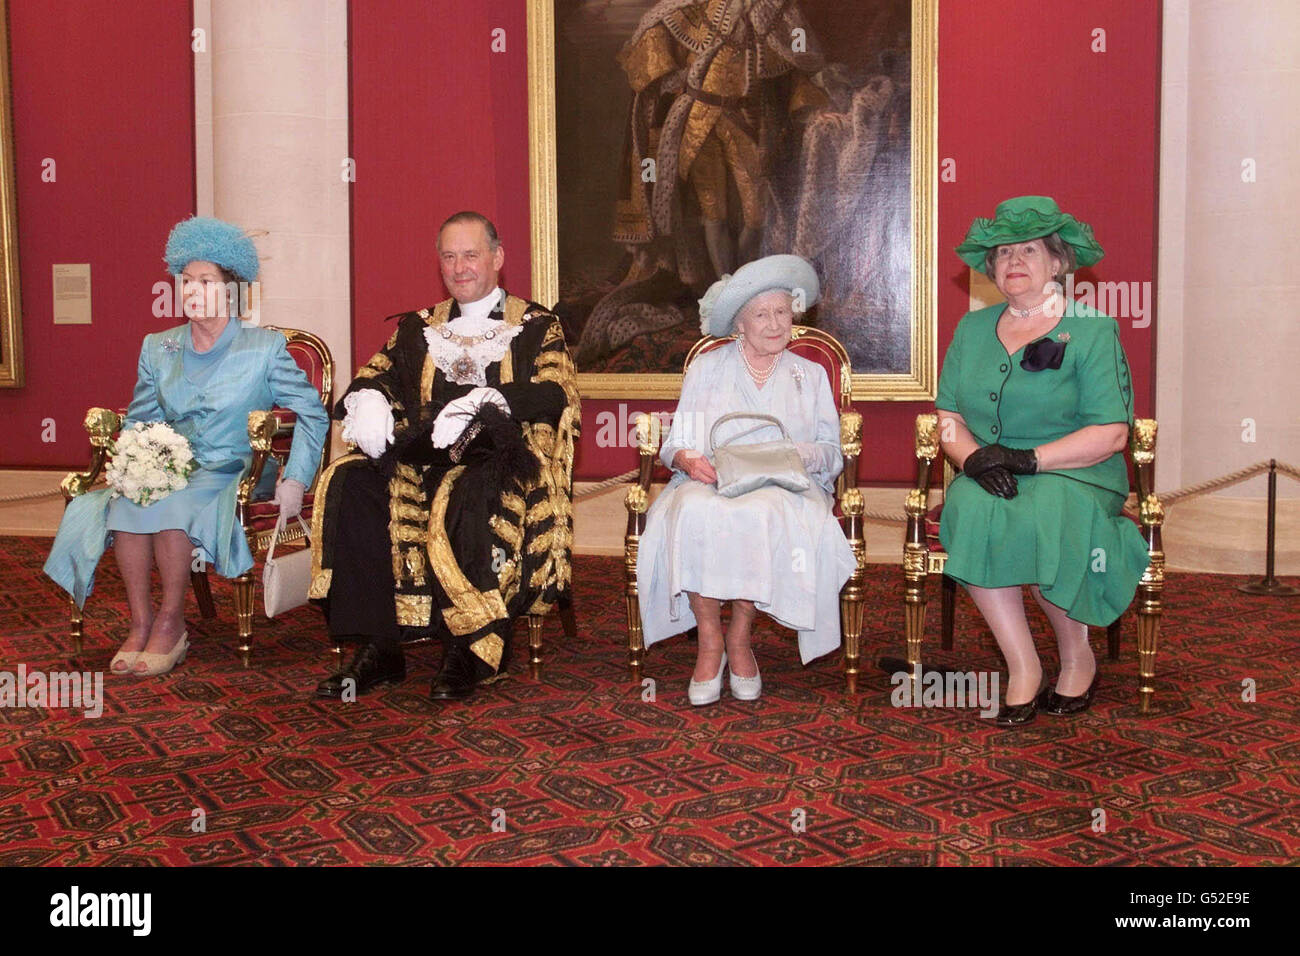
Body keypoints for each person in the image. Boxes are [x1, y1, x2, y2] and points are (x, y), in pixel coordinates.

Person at [311, 211, 579, 702]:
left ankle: (472, 646)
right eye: (449, 257)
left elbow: (555, 392)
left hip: (500, 458)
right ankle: (379, 648)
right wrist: (368, 399)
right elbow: (376, 374)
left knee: (472, 491)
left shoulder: (539, 324)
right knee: (350, 482)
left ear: (497, 258)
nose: (460, 267)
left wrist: (491, 401)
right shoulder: (418, 327)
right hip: (422, 456)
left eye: (471, 255)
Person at [44, 216, 330, 676]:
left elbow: (312, 413)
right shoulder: (159, 347)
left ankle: (172, 623)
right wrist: (136, 464)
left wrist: (296, 477)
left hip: (236, 468)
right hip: (173, 467)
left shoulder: (263, 348)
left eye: (206, 281)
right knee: (128, 502)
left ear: (232, 291)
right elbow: (140, 420)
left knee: (172, 502)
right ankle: (140, 624)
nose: (192, 290)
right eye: (186, 280)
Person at [938, 195, 1149, 726]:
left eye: (1029, 250)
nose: (1014, 260)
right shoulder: (971, 329)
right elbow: (947, 417)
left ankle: (1077, 655)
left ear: (1057, 262)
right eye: (1004, 251)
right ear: (991, 266)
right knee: (971, 505)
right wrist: (972, 461)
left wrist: (1030, 459)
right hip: (992, 467)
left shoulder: (1093, 329)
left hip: (1076, 472)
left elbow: (1111, 433)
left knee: (1046, 510)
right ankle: (1023, 665)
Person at [636, 254, 856, 704]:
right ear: (739, 323)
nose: (775, 324)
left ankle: (739, 636)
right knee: (693, 510)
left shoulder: (809, 376)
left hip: (785, 485)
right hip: (712, 480)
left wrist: (796, 452)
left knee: (760, 513)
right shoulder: (707, 369)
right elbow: (673, 444)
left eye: (781, 312)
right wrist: (689, 459)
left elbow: (833, 454)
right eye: (761, 314)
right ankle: (710, 639)